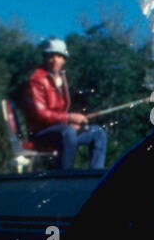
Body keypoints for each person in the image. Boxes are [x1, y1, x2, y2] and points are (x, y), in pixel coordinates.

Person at [21, 37, 107, 171]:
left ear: (64, 60)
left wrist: (70, 122)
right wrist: (69, 118)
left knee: (98, 132)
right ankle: (64, 176)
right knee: (68, 132)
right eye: (51, 56)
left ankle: (95, 175)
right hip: (40, 134)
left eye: (59, 56)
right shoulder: (36, 80)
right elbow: (41, 113)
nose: (55, 60)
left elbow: (61, 113)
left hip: (60, 130)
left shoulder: (62, 78)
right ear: (45, 58)